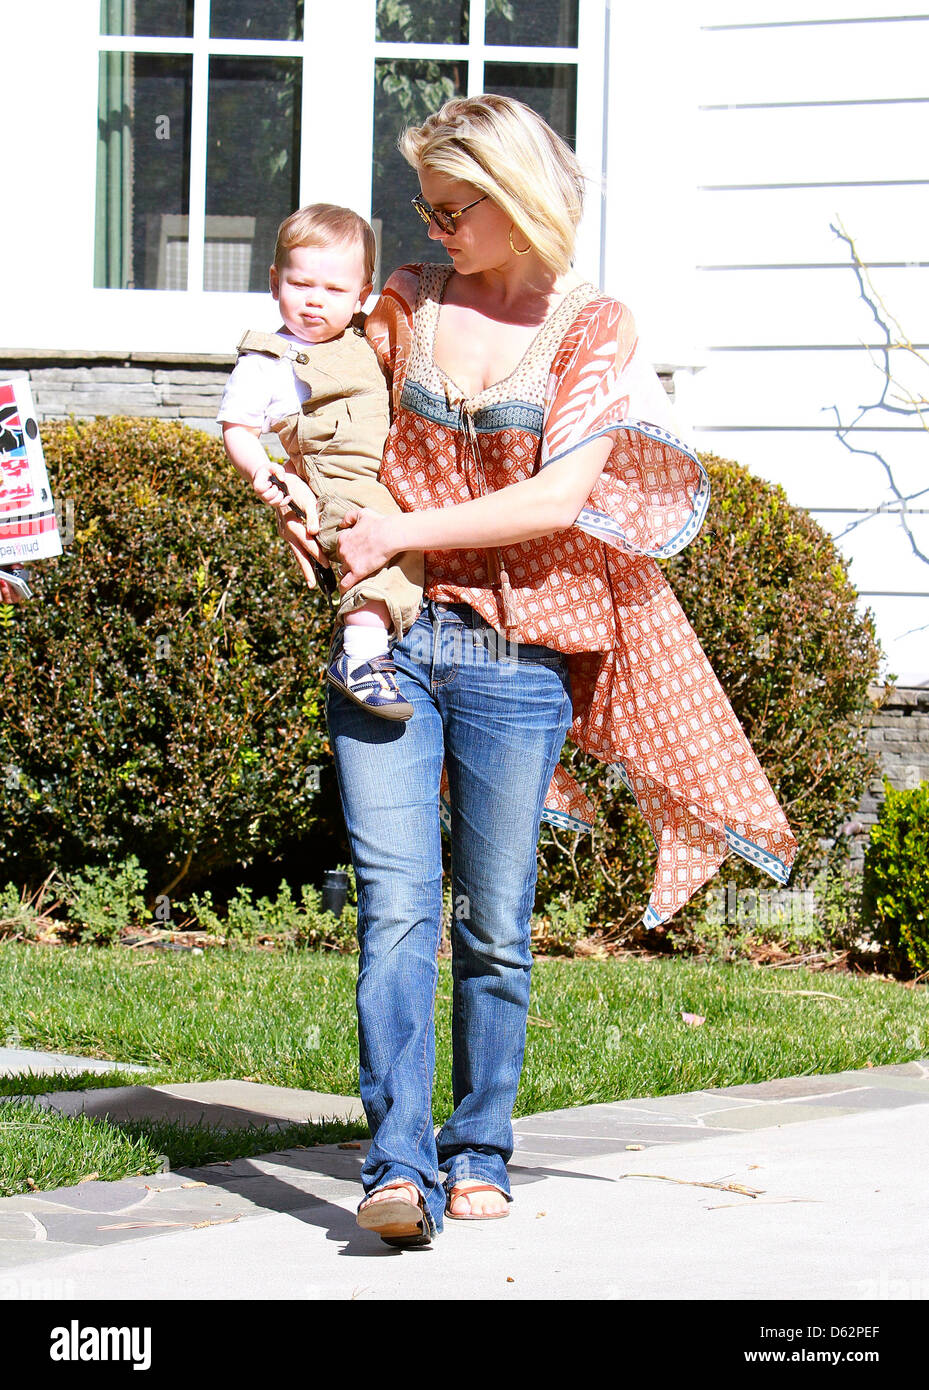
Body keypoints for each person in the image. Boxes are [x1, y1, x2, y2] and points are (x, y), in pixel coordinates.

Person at [276, 95, 798, 1248]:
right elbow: (326, 408)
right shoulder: (403, 299)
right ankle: (396, 1162)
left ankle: (478, 1143)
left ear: (515, 201)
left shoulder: (591, 325)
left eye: (456, 208)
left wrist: (403, 531)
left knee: (496, 925)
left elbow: (560, 495)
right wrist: (282, 472)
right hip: (393, 636)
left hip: (518, 656)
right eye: (426, 206)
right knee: (397, 908)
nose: (435, 225)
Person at [218, 204, 423, 720]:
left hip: (382, 474)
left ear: (362, 295)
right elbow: (237, 427)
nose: (314, 302)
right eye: (300, 284)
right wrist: (266, 474)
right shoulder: (268, 360)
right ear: (274, 281)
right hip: (334, 482)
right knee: (376, 551)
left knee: (406, 546)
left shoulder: (365, 340)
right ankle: (360, 658)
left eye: (334, 291)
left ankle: (381, 650)